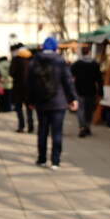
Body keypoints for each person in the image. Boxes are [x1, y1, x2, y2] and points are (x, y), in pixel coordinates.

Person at [28, 37, 78, 169]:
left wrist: (30, 101)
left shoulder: (35, 61)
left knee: (42, 131)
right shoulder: (60, 61)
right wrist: (73, 99)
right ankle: (55, 161)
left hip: (41, 102)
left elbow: (29, 84)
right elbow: (68, 81)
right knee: (57, 132)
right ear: (55, 47)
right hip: (58, 102)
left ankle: (42, 159)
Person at [71, 46, 104, 138]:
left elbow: (70, 76)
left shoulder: (77, 64)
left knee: (80, 109)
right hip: (91, 91)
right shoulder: (95, 64)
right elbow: (99, 79)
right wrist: (101, 92)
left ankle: (82, 126)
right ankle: (87, 126)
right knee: (89, 110)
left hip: (79, 90)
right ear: (89, 52)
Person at [10, 44, 35, 133]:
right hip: (29, 88)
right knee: (29, 108)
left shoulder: (16, 59)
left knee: (19, 108)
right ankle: (30, 126)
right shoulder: (32, 59)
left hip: (18, 88)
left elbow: (11, 73)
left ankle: (21, 126)